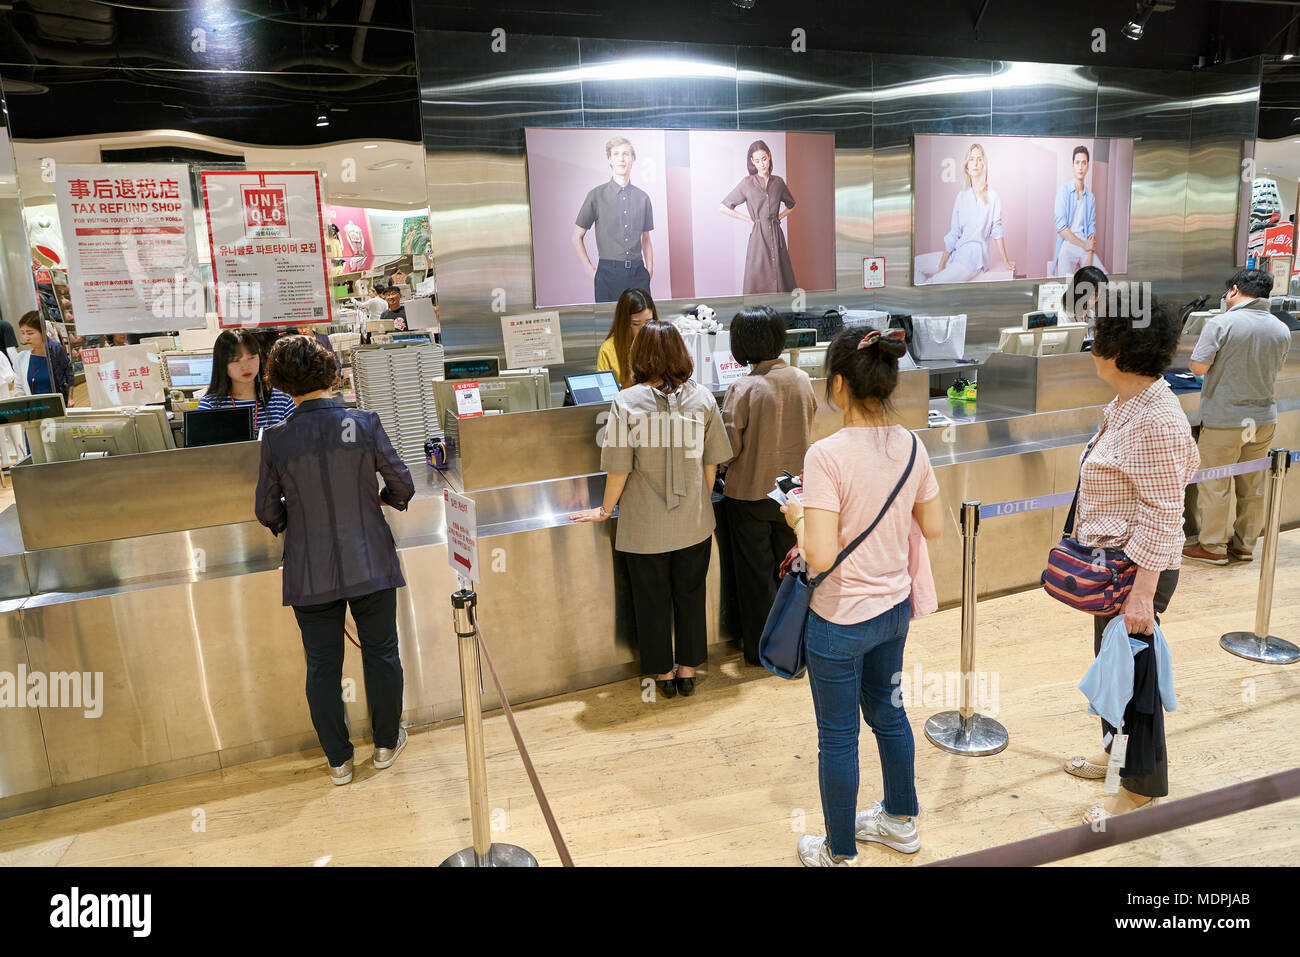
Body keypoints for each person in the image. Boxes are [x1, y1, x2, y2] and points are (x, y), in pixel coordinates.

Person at [780, 327, 943, 867]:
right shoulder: (913, 444)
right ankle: (899, 823)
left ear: (839, 385)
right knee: (889, 714)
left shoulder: (825, 456)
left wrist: (797, 514)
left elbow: (820, 557)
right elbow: (935, 525)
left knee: (838, 736)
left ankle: (838, 851)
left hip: (840, 620)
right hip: (894, 610)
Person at [1062, 297, 1198, 825]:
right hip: (1115, 562)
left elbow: (1166, 516)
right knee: (1113, 663)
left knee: (1135, 671)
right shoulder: (1131, 401)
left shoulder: (1156, 419)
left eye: (1097, 338)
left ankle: (1139, 786)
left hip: (1137, 569)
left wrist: (1142, 594)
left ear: (1114, 350)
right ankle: (1112, 751)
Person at [255, 334, 415, 786]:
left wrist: (298, 519)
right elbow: (402, 485)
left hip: (309, 568)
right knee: (382, 651)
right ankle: (386, 744)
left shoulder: (278, 438)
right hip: (370, 559)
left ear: (284, 385)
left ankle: (339, 761)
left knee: (322, 664)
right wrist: (380, 499)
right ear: (332, 373)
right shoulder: (364, 423)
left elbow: (266, 511)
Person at [570, 320, 732, 698]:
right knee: (691, 594)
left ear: (639, 356)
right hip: (694, 521)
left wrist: (604, 509)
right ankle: (688, 670)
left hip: (644, 525)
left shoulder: (626, 402)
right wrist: (699, 501)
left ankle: (662, 675)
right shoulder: (704, 398)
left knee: (651, 598)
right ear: (682, 353)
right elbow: (713, 465)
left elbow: (619, 468)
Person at [719, 305, 817, 664]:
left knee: (756, 579)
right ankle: (795, 646)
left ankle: (763, 653)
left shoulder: (743, 388)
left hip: (749, 496)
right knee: (793, 573)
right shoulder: (802, 379)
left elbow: (727, 449)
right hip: (794, 495)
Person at [1182, 269, 1291, 564]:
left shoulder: (1222, 323)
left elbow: (1198, 368)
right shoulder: (1281, 329)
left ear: (1233, 290)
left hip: (1225, 418)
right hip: (1263, 417)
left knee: (1215, 482)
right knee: (1251, 485)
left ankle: (1213, 546)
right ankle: (1244, 546)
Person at [572, 135, 655, 303]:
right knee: (610, 326)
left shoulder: (643, 198)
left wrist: (649, 271)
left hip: (638, 273)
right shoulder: (596, 195)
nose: (621, 159)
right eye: (616, 154)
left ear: (633, 159)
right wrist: (590, 270)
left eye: (626, 154)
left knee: (641, 326)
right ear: (609, 159)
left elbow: (646, 239)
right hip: (607, 274)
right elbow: (576, 237)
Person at [927, 143, 1015, 284]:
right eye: (972, 159)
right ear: (967, 167)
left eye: (979, 159)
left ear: (983, 165)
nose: (975, 163)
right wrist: (941, 263)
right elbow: (954, 233)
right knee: (917, 265)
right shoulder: (961, 196)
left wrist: (1006, 261)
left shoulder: (993, 196)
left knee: (932, 283)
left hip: (974, 257)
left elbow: (997, 230)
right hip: (957, 252)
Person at [718, 140, 798, 294]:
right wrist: (749, 220)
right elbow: (723, 207)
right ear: (752, 162)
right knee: (759, 279)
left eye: (764, 159)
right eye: (757, 161)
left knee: (782, 276)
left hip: (776, 234)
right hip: (758, 236)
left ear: (769, 156)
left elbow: (792, 204)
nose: (762, 164)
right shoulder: (747, 183)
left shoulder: (778, 182)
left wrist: (778, 217)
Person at [198, 329, 296, 429]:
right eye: (235, 360)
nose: (245, 366)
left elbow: (300, 439)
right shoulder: (210, 405)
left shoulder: (282, 401)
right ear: (222, 364)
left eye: (251, 357)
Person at [596, 288, 657, 387]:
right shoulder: (609, 349)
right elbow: (606, 393)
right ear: (624, 322)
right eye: (636, 324)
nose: (642, 330)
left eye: (648, 322)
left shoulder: (659, 342)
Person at [1053, 146, 1097, 277]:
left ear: (1088, 166)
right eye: (1077, 163)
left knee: (1096, 280)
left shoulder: (1090, 197)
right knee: (1066, 286)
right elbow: (1061, 228)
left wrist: (1089, 252)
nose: (1081, 167)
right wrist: (1084, 244)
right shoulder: (1063, 191)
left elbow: (1091, 227)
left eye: (1084, 163)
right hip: (1068, 243)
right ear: (1072, 166)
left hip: (1085, 245)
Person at [14, 311, 74, 405]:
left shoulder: (56, 350)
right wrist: (25, 404)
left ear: (43, 332)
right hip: (35, 412)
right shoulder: (21, 358)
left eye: (30, 333)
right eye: (23, 333)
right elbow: (18, 387)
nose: (26, 338)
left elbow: (69, 373)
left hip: (59, 408)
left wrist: (70, 398)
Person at [1060, 265, 1108, 339]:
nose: (1097, 299)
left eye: (1099, 294)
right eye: (1094, 295)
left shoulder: (1091, 315)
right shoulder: (1062, 318)